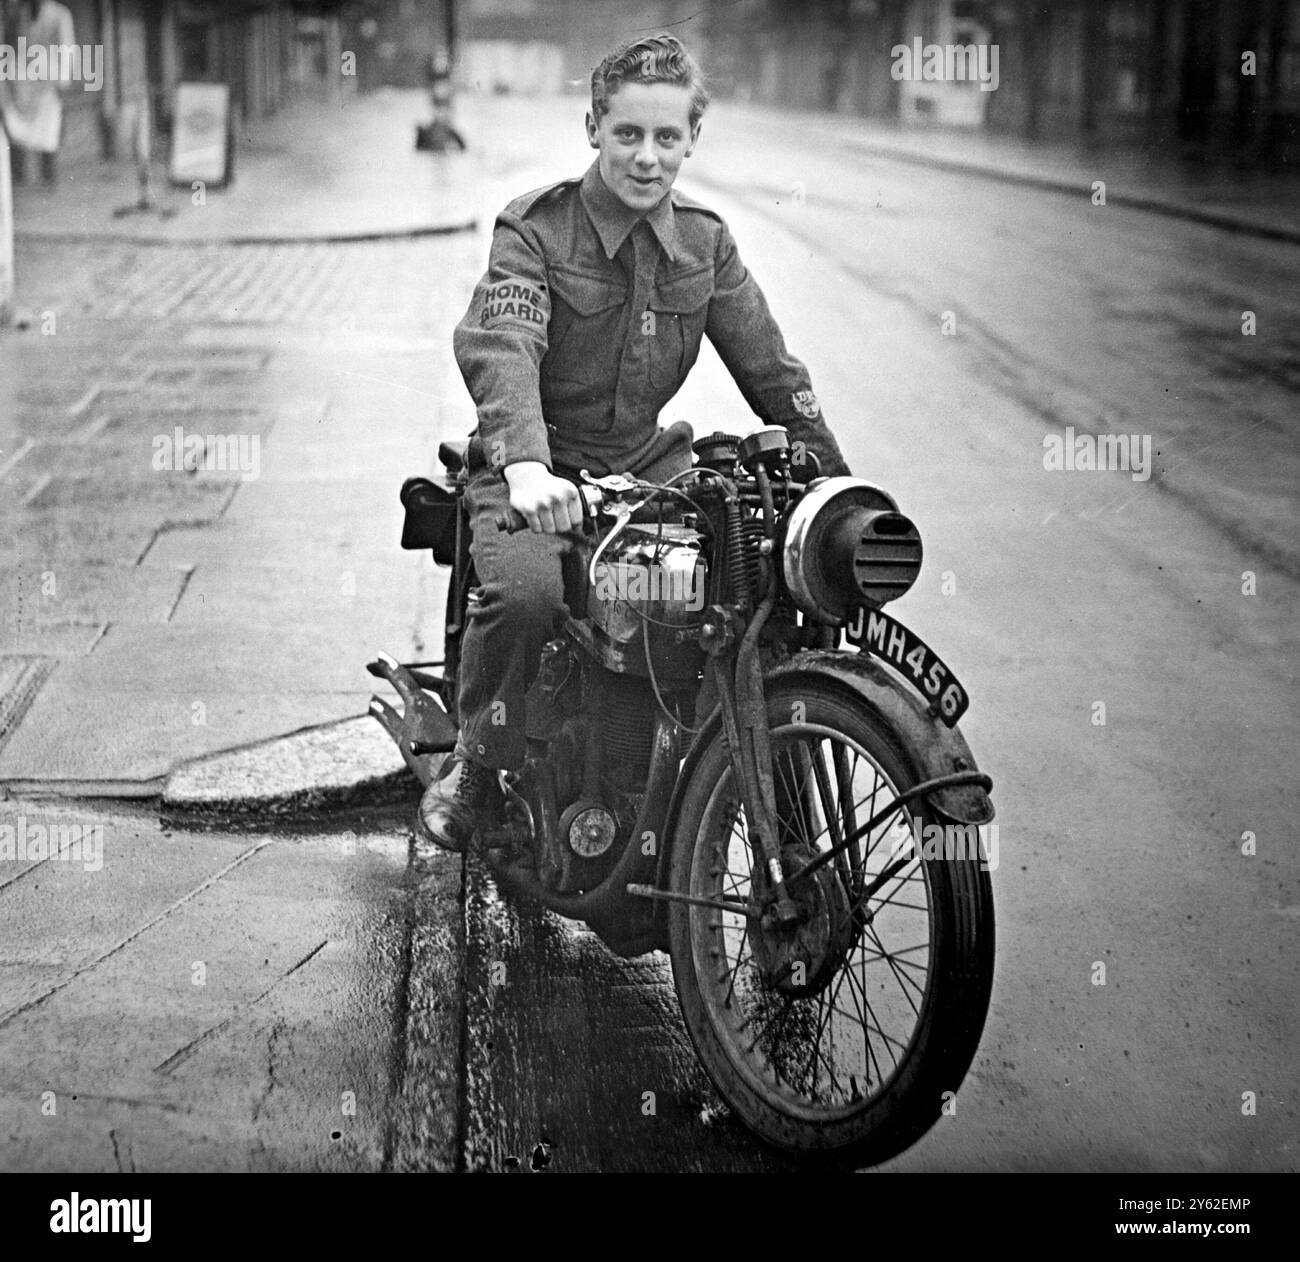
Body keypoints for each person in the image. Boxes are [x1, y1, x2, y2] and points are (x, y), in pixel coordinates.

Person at [416, 32, 851, 854]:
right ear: (592, 128)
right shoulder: (535, 230)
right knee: (529, 598)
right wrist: (526, 464)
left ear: (692, 139)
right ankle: (477, 762)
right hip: (535, 465)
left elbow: (773, 369)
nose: (646, 158)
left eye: (666, 138)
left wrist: (834, 486)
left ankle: (709, 778)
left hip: (648, 467)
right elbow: (502, 342)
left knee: (753, 590)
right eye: (627, 135)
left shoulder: (705, 244)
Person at [2, 0, 76, 186]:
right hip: (22, 79)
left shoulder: (60, 14)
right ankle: (18, 174)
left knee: (49, 127)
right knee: (16, 123)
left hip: (48, 81)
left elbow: (67, 47)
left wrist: (63, 80)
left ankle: (48, 176)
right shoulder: (20, 12)